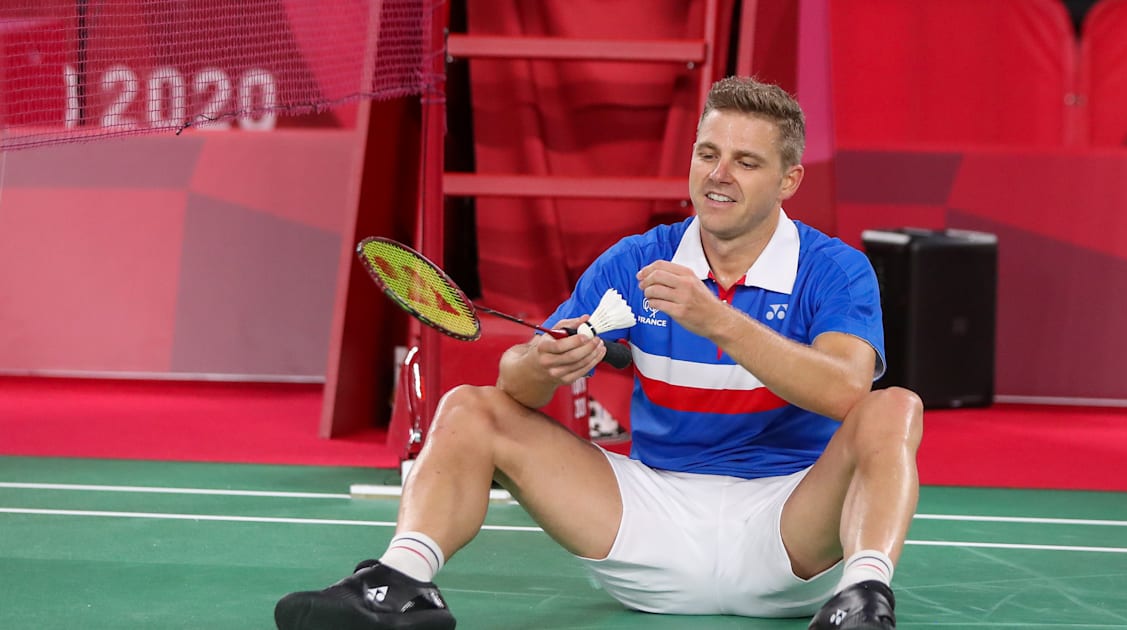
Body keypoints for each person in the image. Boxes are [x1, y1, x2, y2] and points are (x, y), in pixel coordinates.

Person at [274, 76, 923, 630]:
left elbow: (846, 391)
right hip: (648, 523)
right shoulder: (638, 259)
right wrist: (544, 363)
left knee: (894, 408)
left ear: (789, 180)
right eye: (707, 153)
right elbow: (516, 386)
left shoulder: (835, 270)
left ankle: (862, 601)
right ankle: (399, 583)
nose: (718, 175)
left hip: (788, 531)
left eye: (746, 162)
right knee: (470, 408)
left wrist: (719, 321)